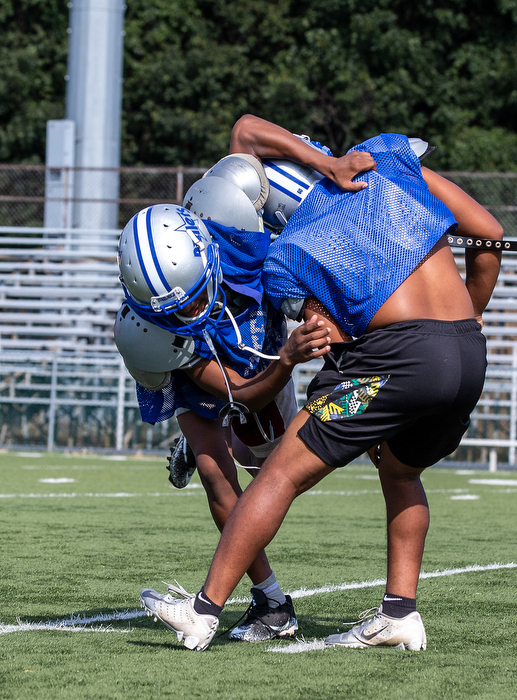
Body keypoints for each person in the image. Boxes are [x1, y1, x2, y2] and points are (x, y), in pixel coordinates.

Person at [139, 114, 502, 651]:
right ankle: (399, 613)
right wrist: (464, 320)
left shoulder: (298, 247)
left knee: (280, 473)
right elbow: (490, 236)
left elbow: (324, 337)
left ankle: (202, 610)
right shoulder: (392, 164)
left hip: (398, 361)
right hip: (467, 355)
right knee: (401, 473)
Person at [115, 195, 334, 641]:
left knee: (276, 471)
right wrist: (288, 361)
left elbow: (248, 133)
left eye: (195, 299)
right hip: (233, 377)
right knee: (218, 474)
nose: (192, 314)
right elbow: (245, 394)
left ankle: (220, 442)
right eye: (177, 310)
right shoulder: (155, 329)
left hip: (261, 345)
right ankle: (272, 602)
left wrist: (328, 166)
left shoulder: (233, 231)